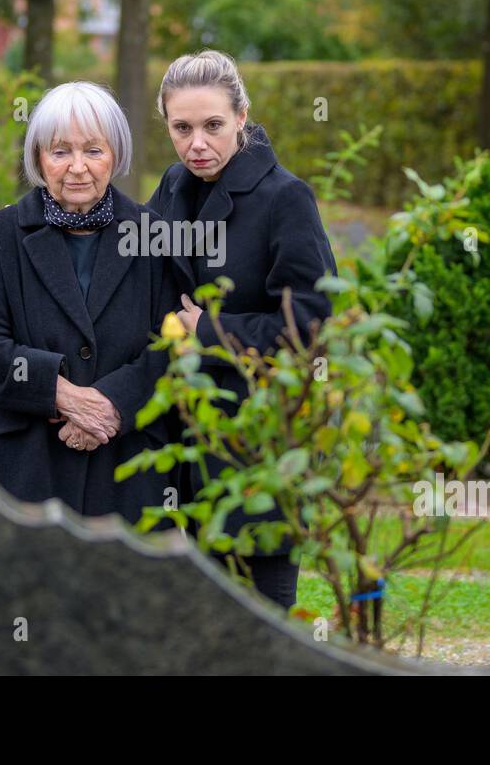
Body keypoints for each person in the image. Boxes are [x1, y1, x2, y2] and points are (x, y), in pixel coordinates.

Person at [146, 49, 337, 609]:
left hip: (263, 434)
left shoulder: (285, 198)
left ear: (242, 118)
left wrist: (211, 331)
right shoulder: (173, 188)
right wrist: (20, 230)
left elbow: (315, 320)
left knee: (263, 613)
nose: (197, 143)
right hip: (192, 430)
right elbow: (131, 265)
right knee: (212, 612)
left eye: (213, 126)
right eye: (182, 128)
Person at [0, 82, 182, 524]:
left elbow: (170, 342)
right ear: (39, 157)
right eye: (60, 152)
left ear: (115, 154)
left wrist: (111, 403)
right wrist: (63, 395)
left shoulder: (152, 232)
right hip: (23, 458)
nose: (77, 168)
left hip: (127, 458)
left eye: (93, 151)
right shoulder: (3, 233)